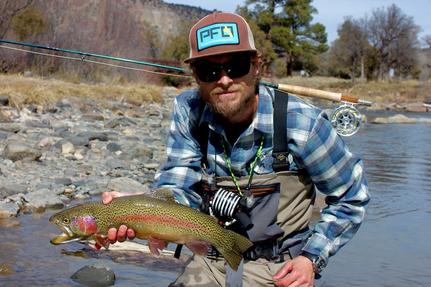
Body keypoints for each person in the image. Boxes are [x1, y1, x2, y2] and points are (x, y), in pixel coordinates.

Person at [102, 12, 370, 287]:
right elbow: (180, 188)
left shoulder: (302, 122)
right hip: (209, 259)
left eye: (237, 66)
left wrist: (311, 259)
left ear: (256, 66)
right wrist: (139, 209)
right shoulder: (189, 110)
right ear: (195, 75)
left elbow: (351, 196)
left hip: (282, 268)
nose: (224, 80)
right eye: (209, 71)